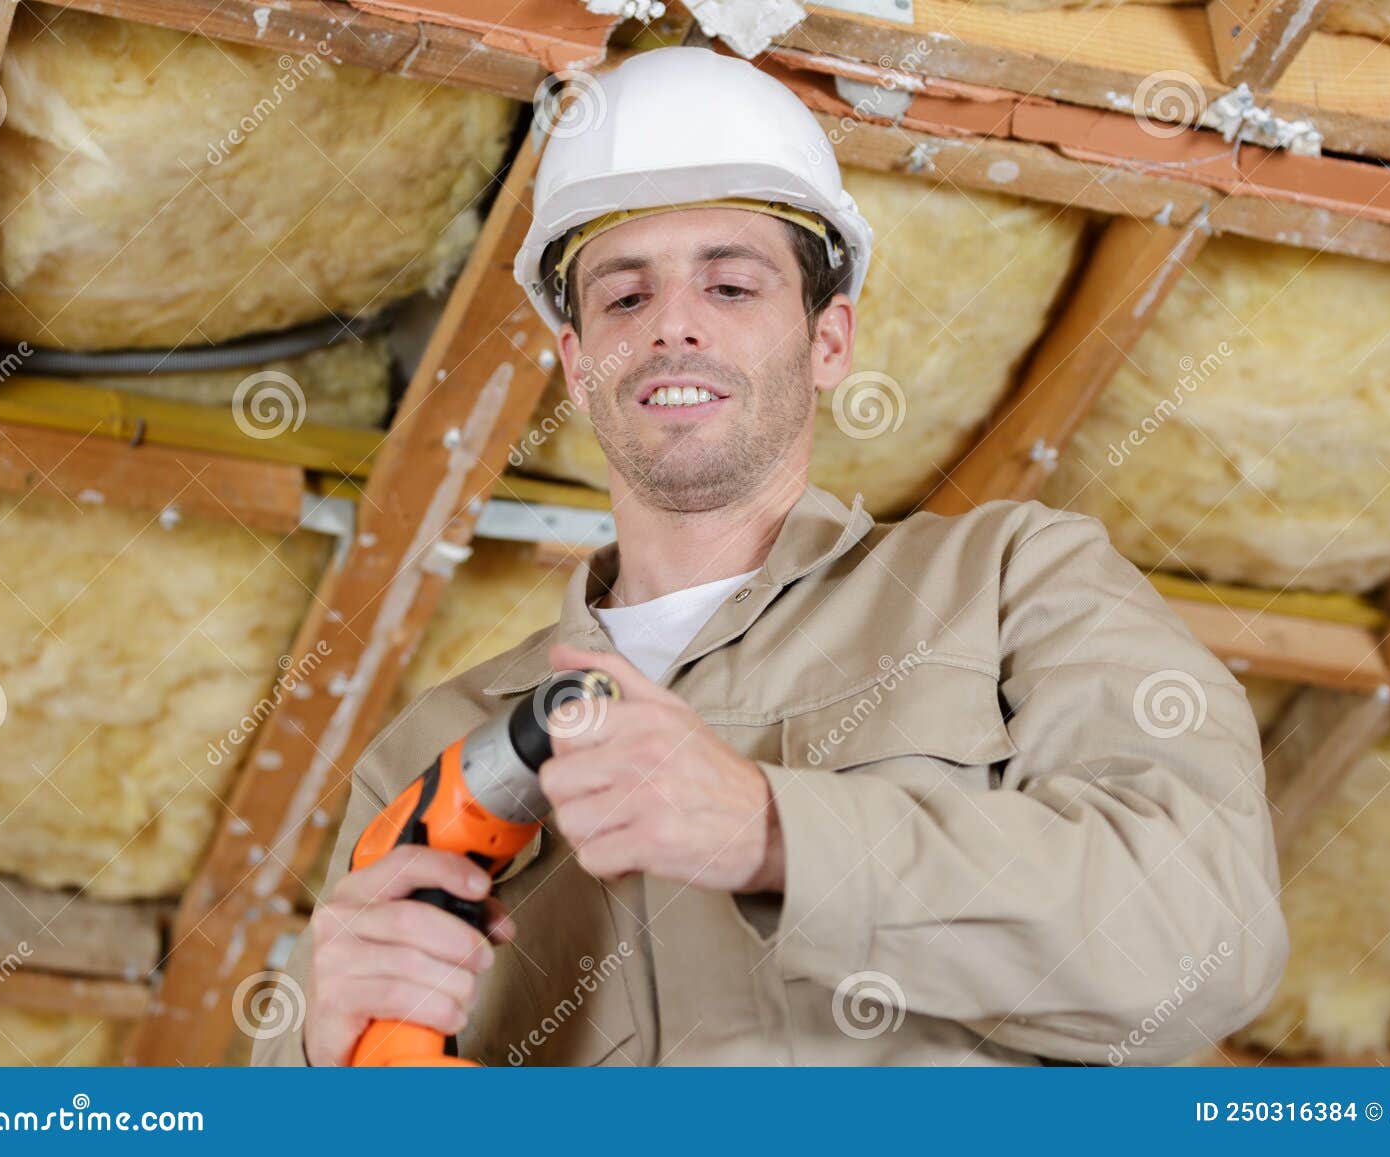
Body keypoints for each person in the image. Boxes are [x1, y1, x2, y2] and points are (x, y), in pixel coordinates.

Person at [252, 46, 1286, 1068]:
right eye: (623, 298)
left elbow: (1207, 936)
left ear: (828, 341)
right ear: (575, 364)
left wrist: (772, 831)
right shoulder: (432, 750)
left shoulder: (1014, 581)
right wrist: (311, 1051)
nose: (673, 326)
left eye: (731, 287)